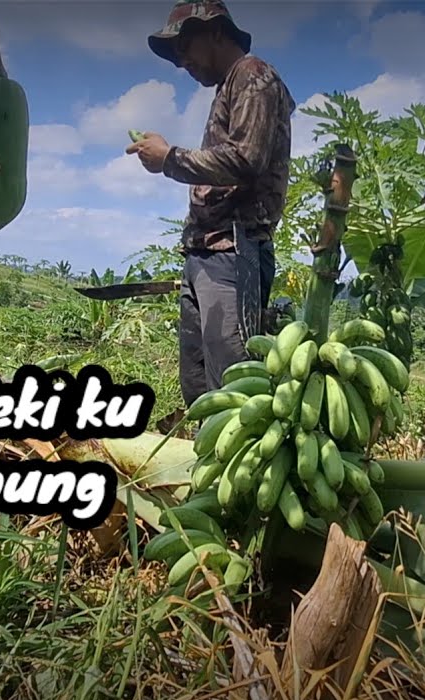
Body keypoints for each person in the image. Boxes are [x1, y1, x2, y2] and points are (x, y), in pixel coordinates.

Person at [126, 0, 296, 409]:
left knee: (233, 388)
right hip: (206, 252)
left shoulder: (254, 75)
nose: (181, 61)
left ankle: (237, 473)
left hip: (234, 252)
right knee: (200, 389)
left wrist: (169, 158)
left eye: (184, 46)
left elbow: (245, 158)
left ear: (217, 32)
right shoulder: (229, 85)